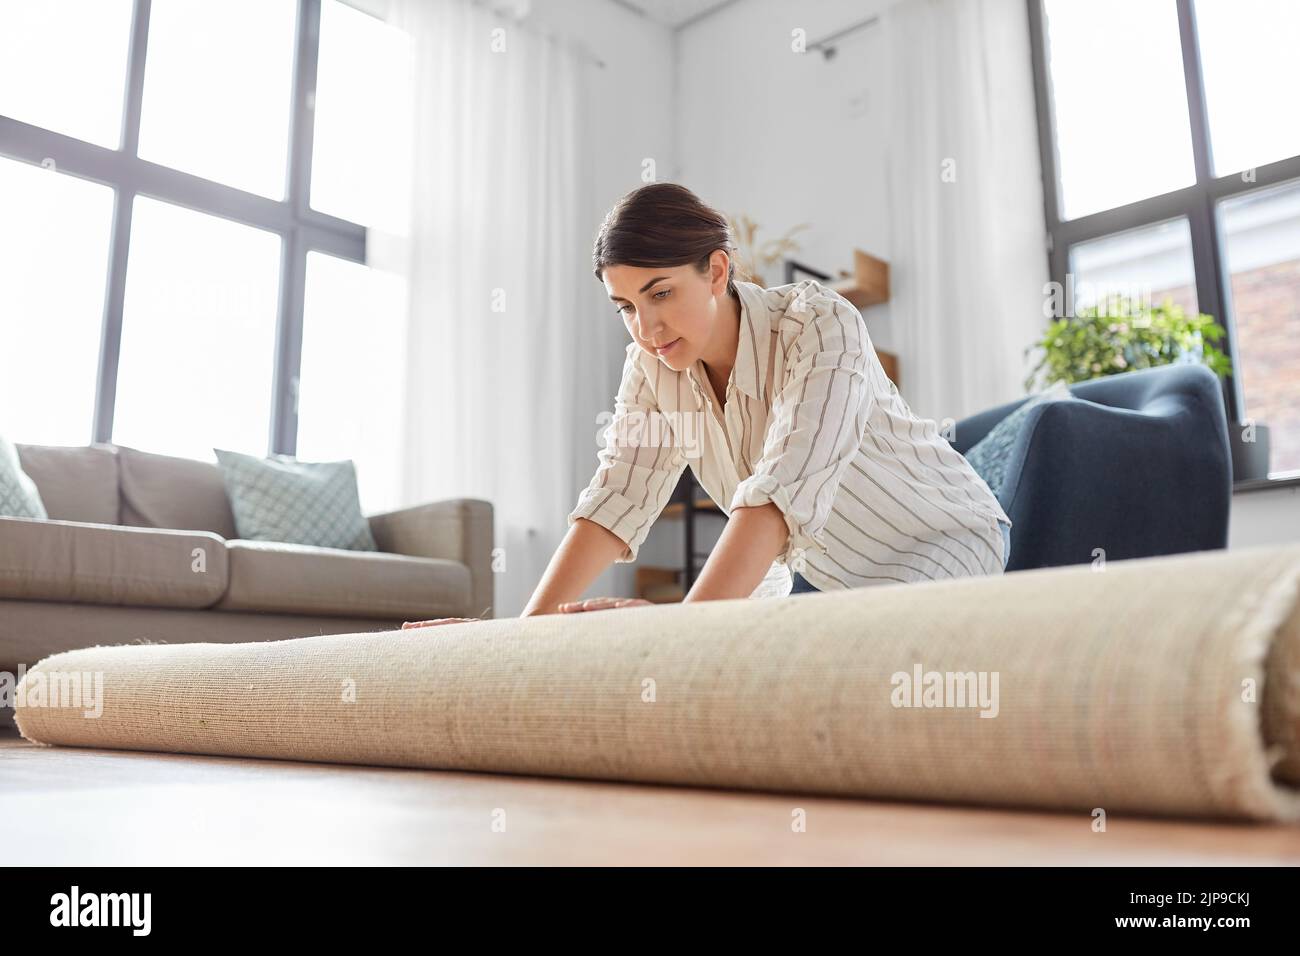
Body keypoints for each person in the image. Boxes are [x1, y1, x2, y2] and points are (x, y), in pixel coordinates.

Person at [404, 182, 1010, 630]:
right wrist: (518, 636)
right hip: (821, 576)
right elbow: (616, 500)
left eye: (660, 293)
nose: (646, 327)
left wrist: (682, 637)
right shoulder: (650, 367)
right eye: (625, 306)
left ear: (717, 270)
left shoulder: (818, 324)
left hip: (936, 540)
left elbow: (782, 490)